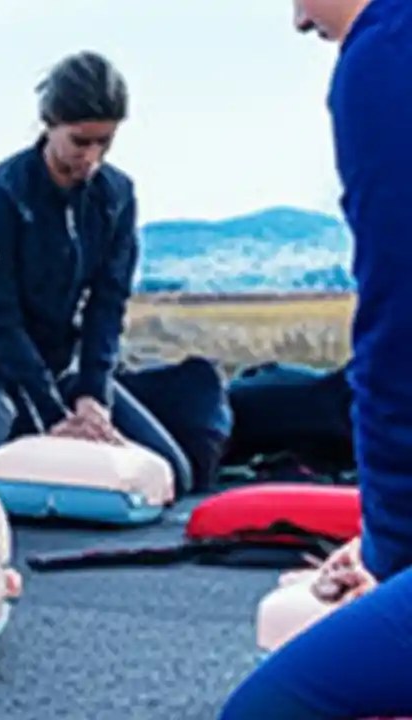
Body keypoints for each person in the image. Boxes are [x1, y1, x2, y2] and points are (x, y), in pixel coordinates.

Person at [221, 0, 412, 716]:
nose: (299, 19)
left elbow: (400, 318)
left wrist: (394, 555)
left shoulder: (386, 54)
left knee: (273, 709)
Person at [0, 51, 193, 494]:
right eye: (80, 142)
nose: (92, 157)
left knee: (172, 473)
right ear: (50, 123)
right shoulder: (3, 195)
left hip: (60, 371)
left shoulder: (116, 197)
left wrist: (92, 399)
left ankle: (38, 420)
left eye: (105, 142)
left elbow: (108, 306)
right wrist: (51, 415)